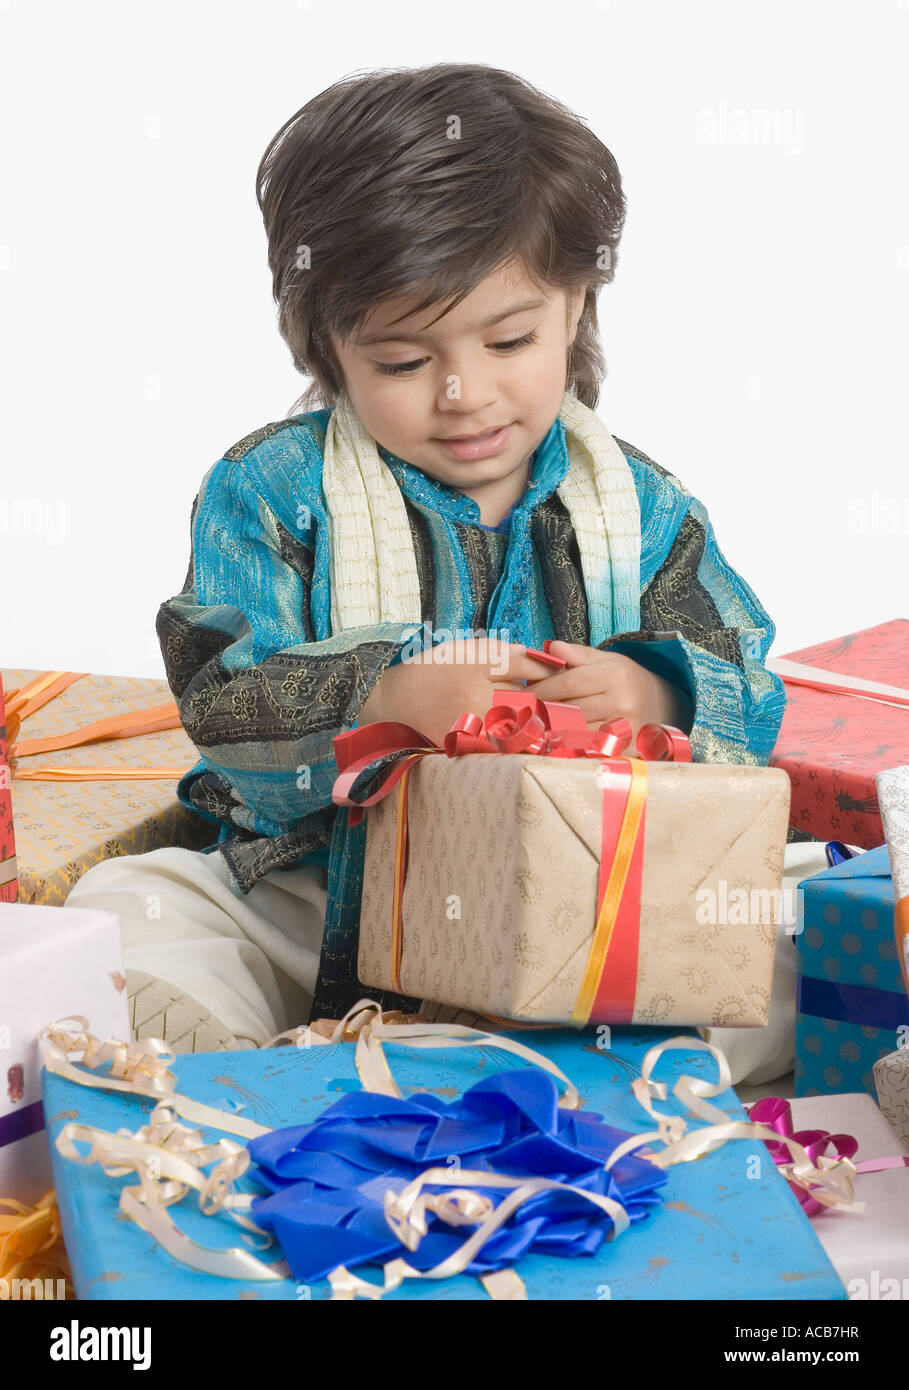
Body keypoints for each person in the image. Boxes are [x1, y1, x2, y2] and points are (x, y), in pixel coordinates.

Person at [66, 62, 822, 1082]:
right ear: (328, 347)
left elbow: (749, 678)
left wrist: (655, 686)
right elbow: (219, 692)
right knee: (128, 909)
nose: (465, 392)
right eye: (403, 362)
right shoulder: (276, 489)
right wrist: (380, 694)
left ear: (575, 307)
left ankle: (462, 1061)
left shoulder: (637, 504)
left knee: (782, 932)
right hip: (321, 886)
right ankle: (315, 1064)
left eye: (509, 339)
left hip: (579, 895)